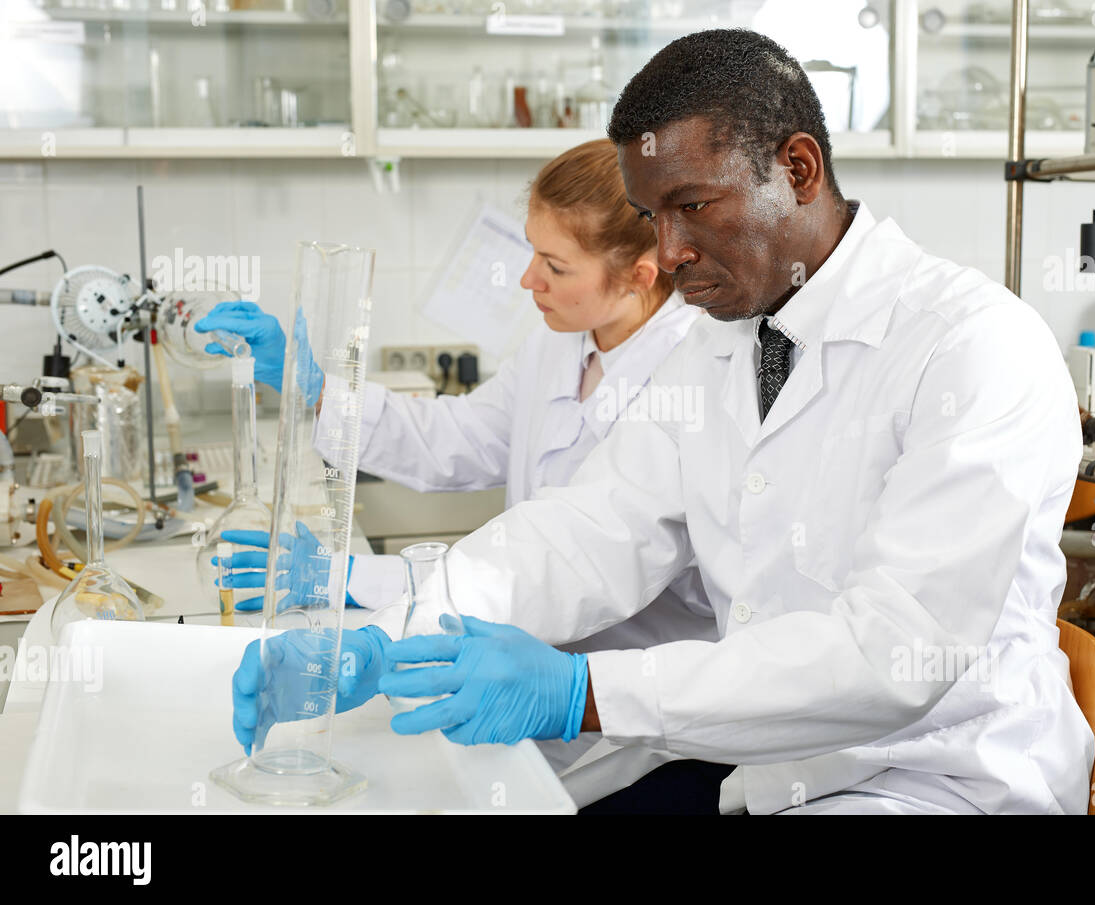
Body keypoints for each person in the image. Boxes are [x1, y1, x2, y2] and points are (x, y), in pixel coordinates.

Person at [235, 28, 1094, 815]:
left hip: (942, 780)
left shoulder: (975, 347)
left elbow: (892, 655)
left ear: (797, 168)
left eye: (695, 205)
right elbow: (588, 528)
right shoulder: (725, 348)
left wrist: (584, 691)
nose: (670, 250)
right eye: (655, 215)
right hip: (772, 776)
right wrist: (386, 642)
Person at [199, 140, 718, 807]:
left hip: (627, 724)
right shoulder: (561, 338)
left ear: (642, 272)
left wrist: (366, 593)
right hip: (511, 661)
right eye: (532, 252)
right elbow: (460, 438)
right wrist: (317, 388)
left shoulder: (690, 374)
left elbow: (577, 557)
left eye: (555, 265)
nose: (528, 280)